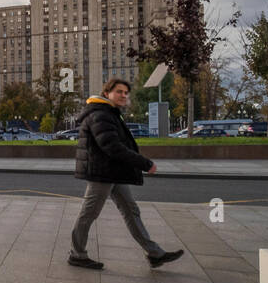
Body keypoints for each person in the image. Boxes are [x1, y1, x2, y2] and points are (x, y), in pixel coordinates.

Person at [68, 77, 184, 270]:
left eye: (125, 93)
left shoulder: (109, 112)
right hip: (102, 173)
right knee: (89, 214)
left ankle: (155, 253)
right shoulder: (100, 114)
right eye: (119, 92)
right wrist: (145, 164)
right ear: (107, 93)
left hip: (112, 172)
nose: (123, 95)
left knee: (131, 211)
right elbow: (112, 146)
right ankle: (77, 254)